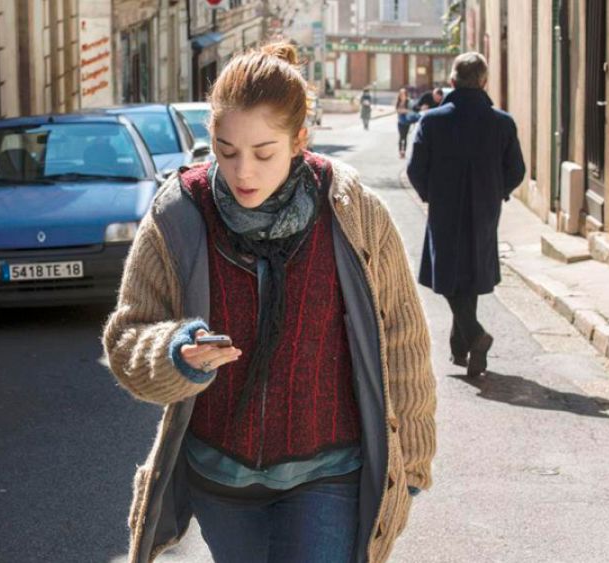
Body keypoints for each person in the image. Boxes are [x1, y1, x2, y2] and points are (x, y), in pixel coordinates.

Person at [104, 42, 436, 563]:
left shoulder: (353, 213)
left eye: (263, 153)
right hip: (220, 476)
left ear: (300, 140)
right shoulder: (179, 216)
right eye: (226, 150)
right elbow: (127, 338)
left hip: (330, 471)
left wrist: (410, 465)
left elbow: (402, 340)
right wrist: (174, 352)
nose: (243, 174)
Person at [406, 52, 526, 377]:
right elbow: (516, 170)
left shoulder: (432, 120)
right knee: (470, 271)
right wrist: (497, 192)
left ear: (452, 81)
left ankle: (473, 335)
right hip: (485, 209)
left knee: (447, 274)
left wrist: (430, 194)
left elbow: (415, 168)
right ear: (484, 82)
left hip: (444, 207)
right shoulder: (502, 122)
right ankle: (462, 348)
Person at [395, 88, 413, 158]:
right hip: (400, 122)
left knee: (405, 137)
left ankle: (404, 152)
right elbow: (397, 110)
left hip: (407, 122)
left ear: (405, 94)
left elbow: (410, 110)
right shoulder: (398, 102)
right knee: (401, 137)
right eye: (401, 94)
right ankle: (400, 151)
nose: (402, 95)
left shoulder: (408, 101)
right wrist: (403, 110)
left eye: (403, 94)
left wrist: (403, 110)